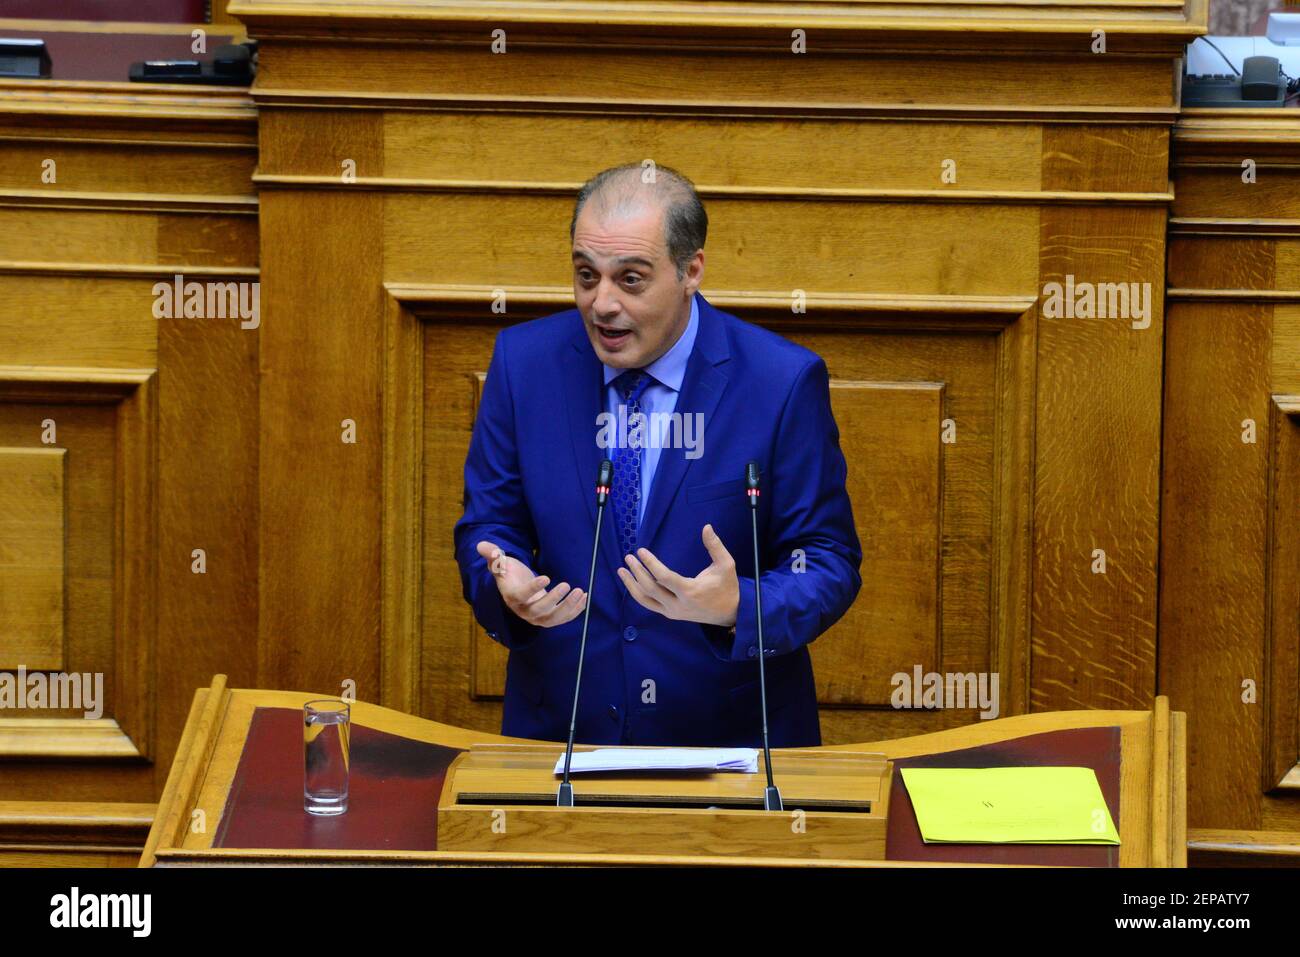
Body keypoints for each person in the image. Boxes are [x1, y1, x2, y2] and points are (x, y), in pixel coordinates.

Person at [452, 162, 862, 747]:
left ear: (690, 269)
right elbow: (489, 525)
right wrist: (501, 580)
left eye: (631, 279)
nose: (602, 304)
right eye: (586, 275)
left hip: (729, 745)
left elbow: (827, 560)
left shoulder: (780, 381)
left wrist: (740, 605)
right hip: (562, 737)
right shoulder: (524, 364)